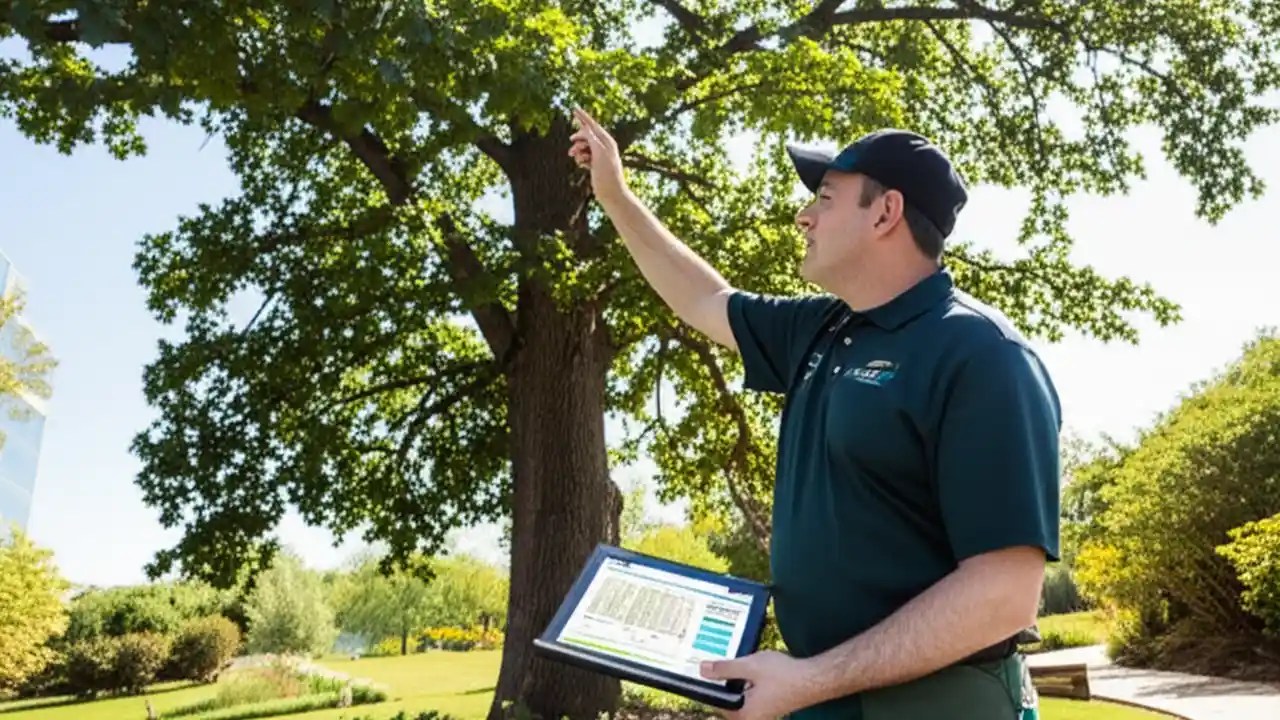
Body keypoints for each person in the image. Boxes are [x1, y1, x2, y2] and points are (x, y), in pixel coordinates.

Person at [567, 108, 1061, 720]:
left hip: (938, 703)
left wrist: (811, 681)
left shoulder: (983, 356)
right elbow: (704, 298)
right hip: (822, 692)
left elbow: (1004, 594)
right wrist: (615, 195)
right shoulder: (820, 330)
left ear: (886, 213)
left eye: (825, 198)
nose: (804, 217)